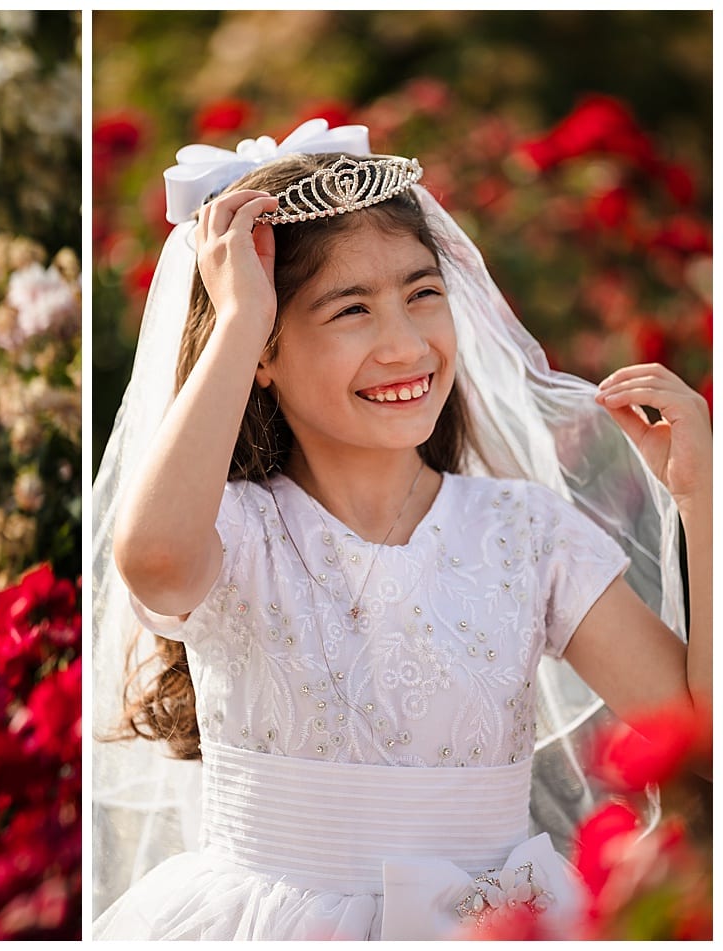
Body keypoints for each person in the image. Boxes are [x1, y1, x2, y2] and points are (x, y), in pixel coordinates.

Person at [89, 120, 710, 940]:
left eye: (423, 294)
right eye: (351, 309)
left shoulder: (525, 534)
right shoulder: (237, 532)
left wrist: (701, 500)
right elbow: (155, 559)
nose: (406, 344)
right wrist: (240, 318)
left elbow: (695, 724)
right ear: (263, 352)